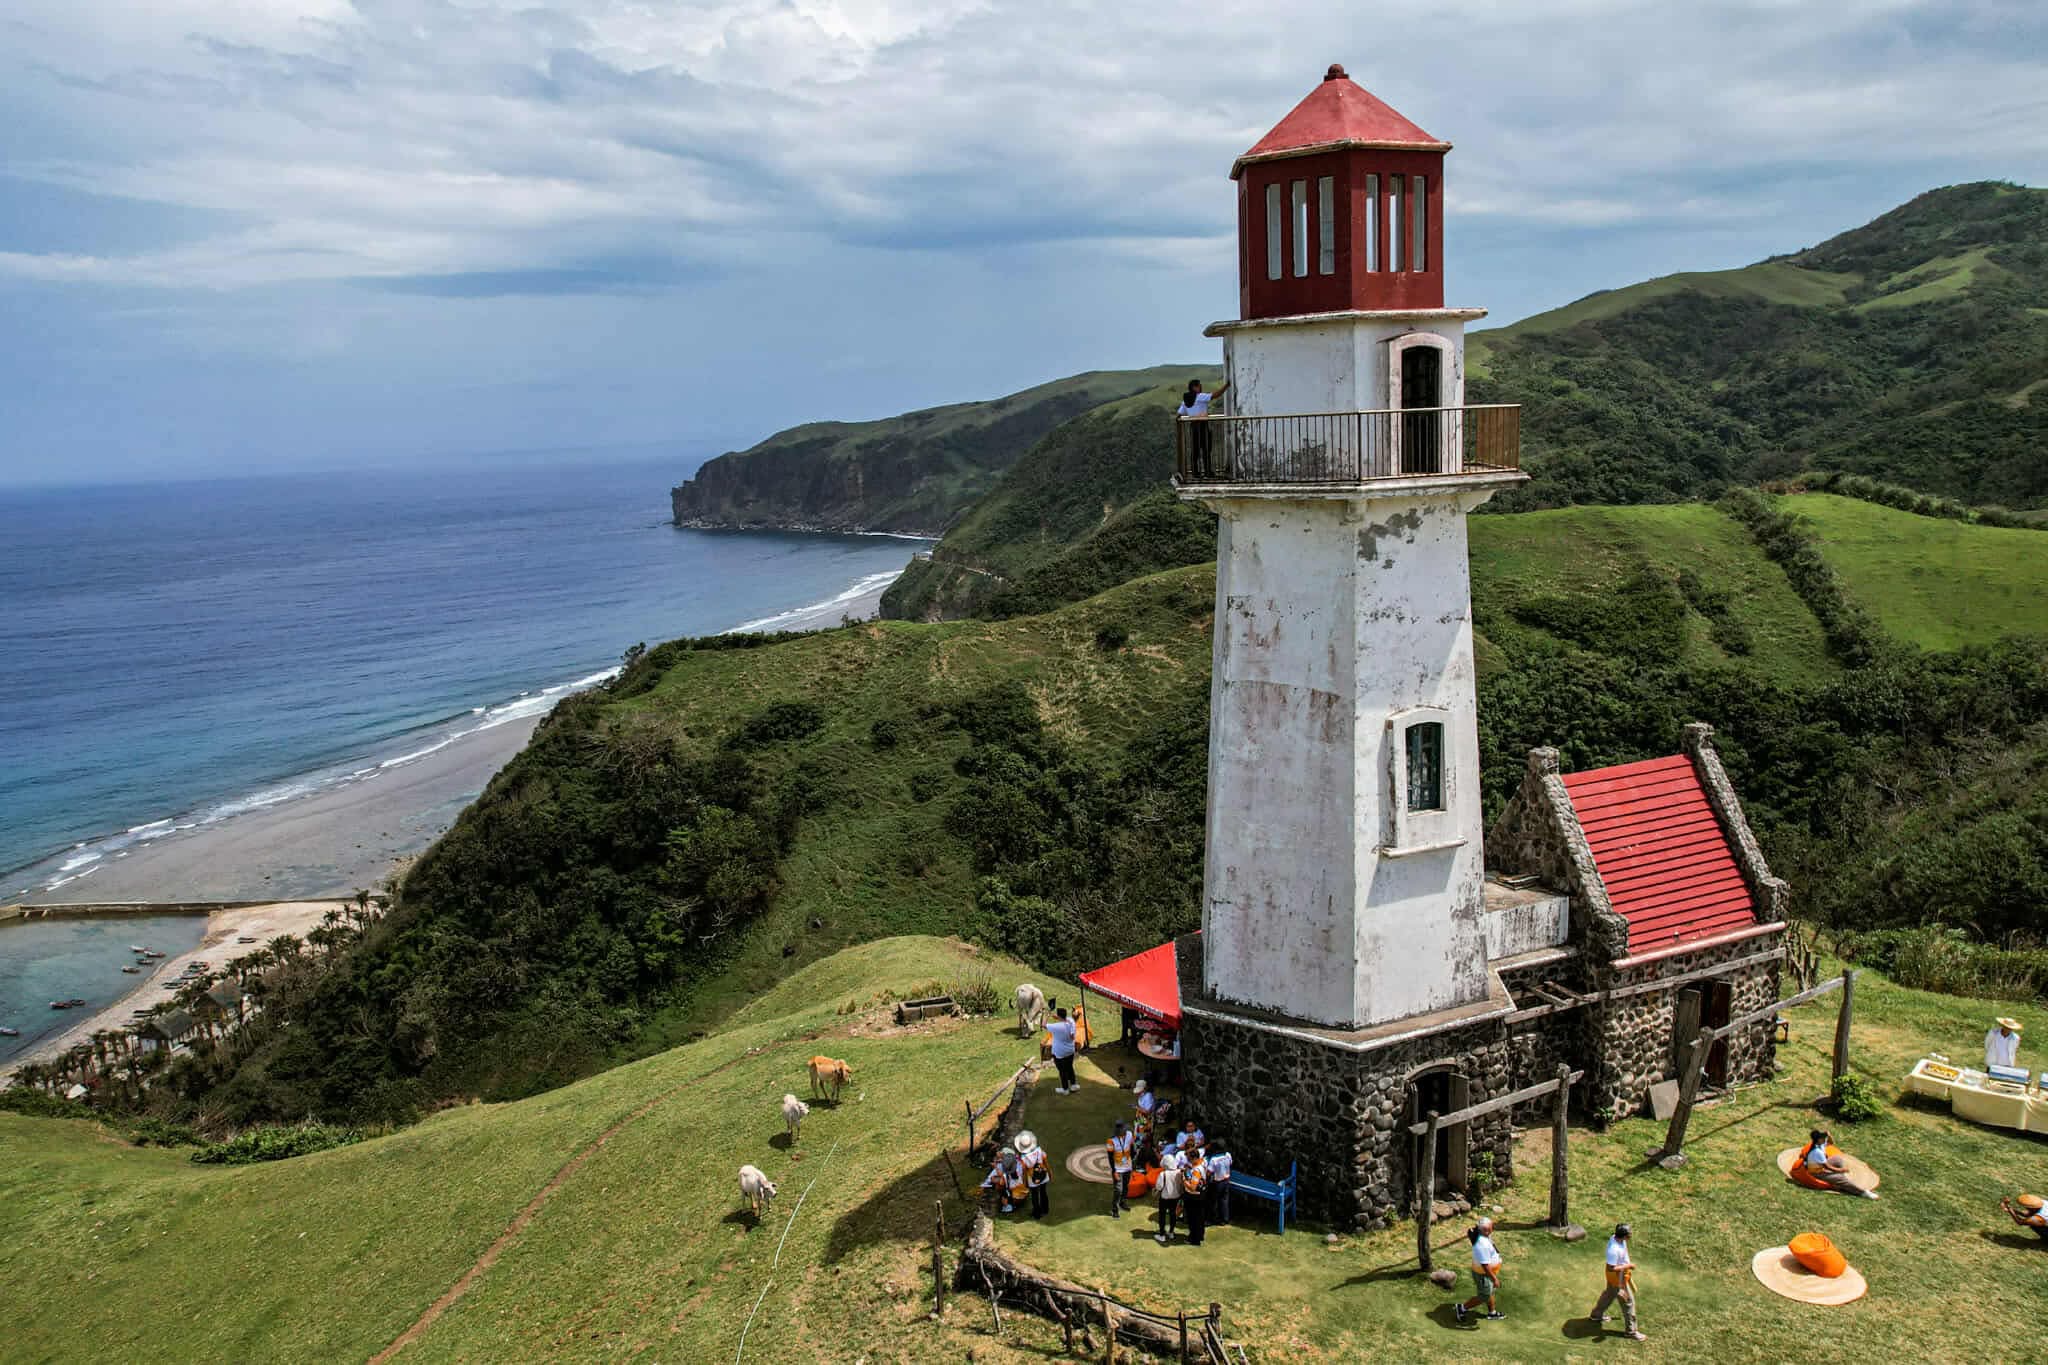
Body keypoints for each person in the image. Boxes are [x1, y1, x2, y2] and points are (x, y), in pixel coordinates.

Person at [1587, 1222, 1647, 1341]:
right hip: (1617, 1279)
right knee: (1628, 1302)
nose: (1631, 1234)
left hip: (1618, 1276)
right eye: (1629, 1233)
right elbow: (1611, 1268)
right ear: (1624, 1236)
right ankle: (1631, 1331)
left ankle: (1596, 1315)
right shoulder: (1614, 1250)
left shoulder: (1618, 1238)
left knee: (1609, 1294)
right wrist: (1628, 1266)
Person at [1797, 1128, 1879, 1199]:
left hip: (1820, 1166)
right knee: (1840, 1178)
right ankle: (1862, 1192)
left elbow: (1831, 1143)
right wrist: (1840, 1170)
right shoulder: (1817, 1152)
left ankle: (1839, 1178)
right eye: (1822, 1137)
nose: (1824, 1138)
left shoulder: (1819, 1145)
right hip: (1817, 1172)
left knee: (1837, 1159)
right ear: (1819, 1140)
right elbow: (1828, 1167)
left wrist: (1829, 1136)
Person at [1454, 1217, 1505, 1324]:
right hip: (1483, 1274)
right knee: (1484, 1295)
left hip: (1487, 1273)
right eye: (1492, 1227)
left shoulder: (1482, 1234)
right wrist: (1494, 1279)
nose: (1493, 1229)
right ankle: (1462, 1308)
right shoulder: (1482, 1245)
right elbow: (1485, 1266)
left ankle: (1492, 1313)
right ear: (1486, 1230)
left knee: (1489, 1291)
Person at [1177, 379, 1229, 478]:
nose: (1201, 387)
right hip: (1202, 425)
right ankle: (1208, 472)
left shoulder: (1186, 399)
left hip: (1193, 426)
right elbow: (1215, 395)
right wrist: (1226, 386)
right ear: (1194, 387)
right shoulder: (1199, 396)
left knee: (1195, 450)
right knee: (1206, 449)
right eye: (1199, 386)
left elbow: (1180, 413)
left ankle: (1195, 473)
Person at [1016, 1130, 1051, 1219]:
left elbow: (1024, 1171)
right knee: (1043, 1192)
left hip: (1032, 1178)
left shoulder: (1024, 1158)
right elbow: (1046, 1162)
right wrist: (1050, 1173)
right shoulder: (1040, 1151)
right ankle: (1045, 1209)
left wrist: (1025, 1182)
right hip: (1043, 1174)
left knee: (1035, 1195)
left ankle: (1037, 1213)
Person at [1154, 1145, 1185, 1245]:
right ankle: (1171, 1232)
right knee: (1173, 1214)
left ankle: (1162, 1234)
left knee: (1162, 1215)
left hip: (1165, 1198)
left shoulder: (1163, 1174)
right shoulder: (1179, 1172)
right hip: (1175, 1197)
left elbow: (1158, 1187)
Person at [1182, 1144, 1210, 1246]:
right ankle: (1200, 1235)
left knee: (1193, 1218)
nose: (1187, 1160)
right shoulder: (1202, 1162)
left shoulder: (1196, 1171)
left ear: (1193, 1158)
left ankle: (1194, 1239)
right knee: (1200, 1217)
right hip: (1201, 1194)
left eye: (1188, 1158)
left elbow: (1192, 1187)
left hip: (1194, 1196)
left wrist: (1184, 1179)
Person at [1108, 1120, 1137, 1217]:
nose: (1122, 1133)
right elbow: (1110, 1157)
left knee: (1125, 1187)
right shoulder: (1111, 1141)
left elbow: (1132, 1146)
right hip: (1118, 1168)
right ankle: (1114, 1209)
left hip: (1127, 1167)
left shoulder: (1129, 1134)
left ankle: (1122, 1203)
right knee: (1118, 1189)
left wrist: (1132, 1159)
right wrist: (1114, 1171)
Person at [1047, 1007, 1079, 1094]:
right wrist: (1057, 1017)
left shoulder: (1056, 1026)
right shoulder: (1071, 1022)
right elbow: (1066, 1019)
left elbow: (1043, 1025)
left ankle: (1065, 1089)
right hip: (1070, 1050)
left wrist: (1047, 1015)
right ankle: (1073, 1085)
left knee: (1062, 1071)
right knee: (1070, 1067)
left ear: (1058, 1015)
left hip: (1060, 1053)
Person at [982, 1147, 1021, 1214]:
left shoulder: (1007, 1170)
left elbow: (1001, 1175)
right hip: (1013, 1181)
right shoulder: (1013, 1161)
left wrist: (995, 1167)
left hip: (1011, 1184)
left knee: (1004, 1195)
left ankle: (1007, 1208)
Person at [1207, 1140, 1233, 1224]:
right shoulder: (1228, 1155)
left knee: (1213, 1201)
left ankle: (1213, 1219)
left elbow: (1209, 1172)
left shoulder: (1214, 1159)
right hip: (1226, 1180)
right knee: (1224, 1200)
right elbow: (1230, 1163)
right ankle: (1224, 1219)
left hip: (1217, 1182)